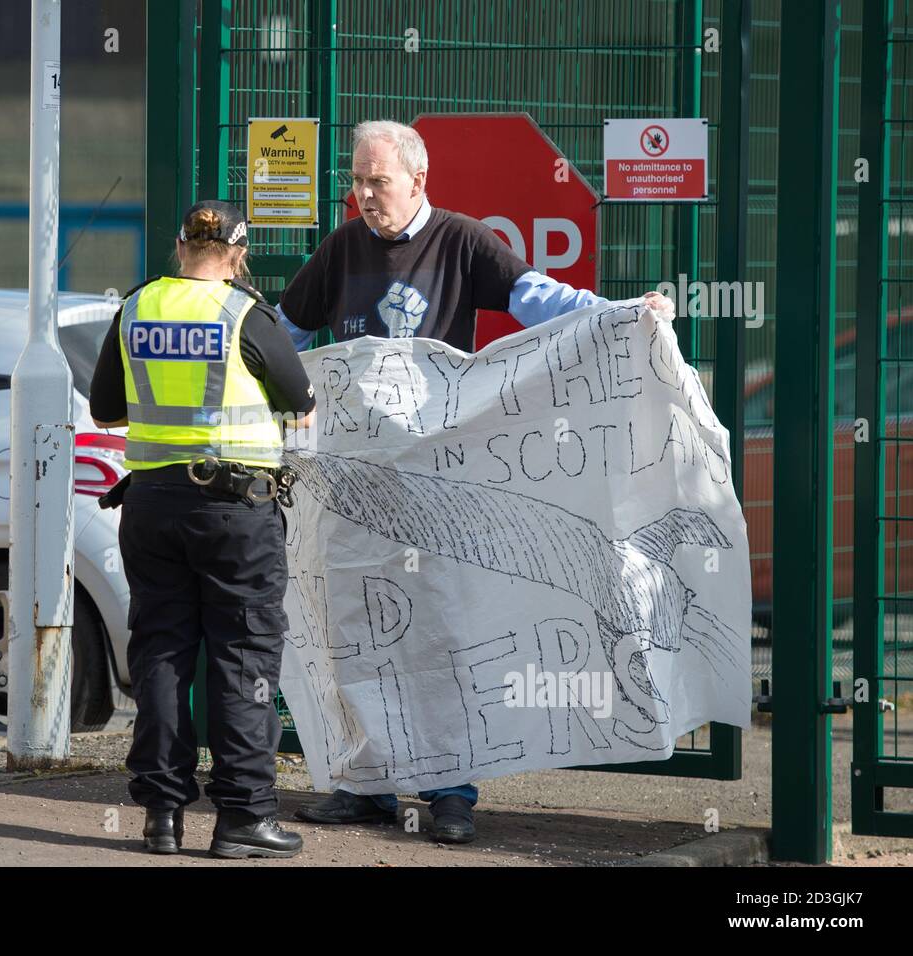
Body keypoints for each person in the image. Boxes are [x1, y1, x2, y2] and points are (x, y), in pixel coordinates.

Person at [283, 119, 675, 844]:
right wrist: (229, 342)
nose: (365, 195)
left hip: (434, 481)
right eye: (358, 181)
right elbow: (285, 335)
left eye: (379, 181)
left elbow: (539, 302)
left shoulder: (462, 242)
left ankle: (451, 792)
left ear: (418, 181)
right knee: (353, 630)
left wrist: (625, 313)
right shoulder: (339, 251)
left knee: (440, 630)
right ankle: (365, 783)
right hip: (356, 480)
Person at [89, 200, 316, 858]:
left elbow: (107, 406)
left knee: (160, 652)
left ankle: (162, 813)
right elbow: (299, 399)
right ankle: (244, 817)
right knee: (241, 656)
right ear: (238, 252)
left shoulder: (135, 307)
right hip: (234, 512)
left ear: (179, 246)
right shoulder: (243, 312)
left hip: (153, 505)